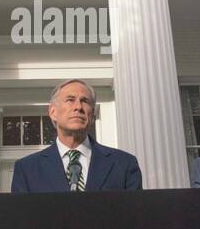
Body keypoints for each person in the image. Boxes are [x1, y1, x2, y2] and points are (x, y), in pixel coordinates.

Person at [10, 78, 141, 192]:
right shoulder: (27, 169)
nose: (78, 107)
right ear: (53, 112)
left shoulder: (124, 164)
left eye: (85, 101)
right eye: (70, 100)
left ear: (93, 115)